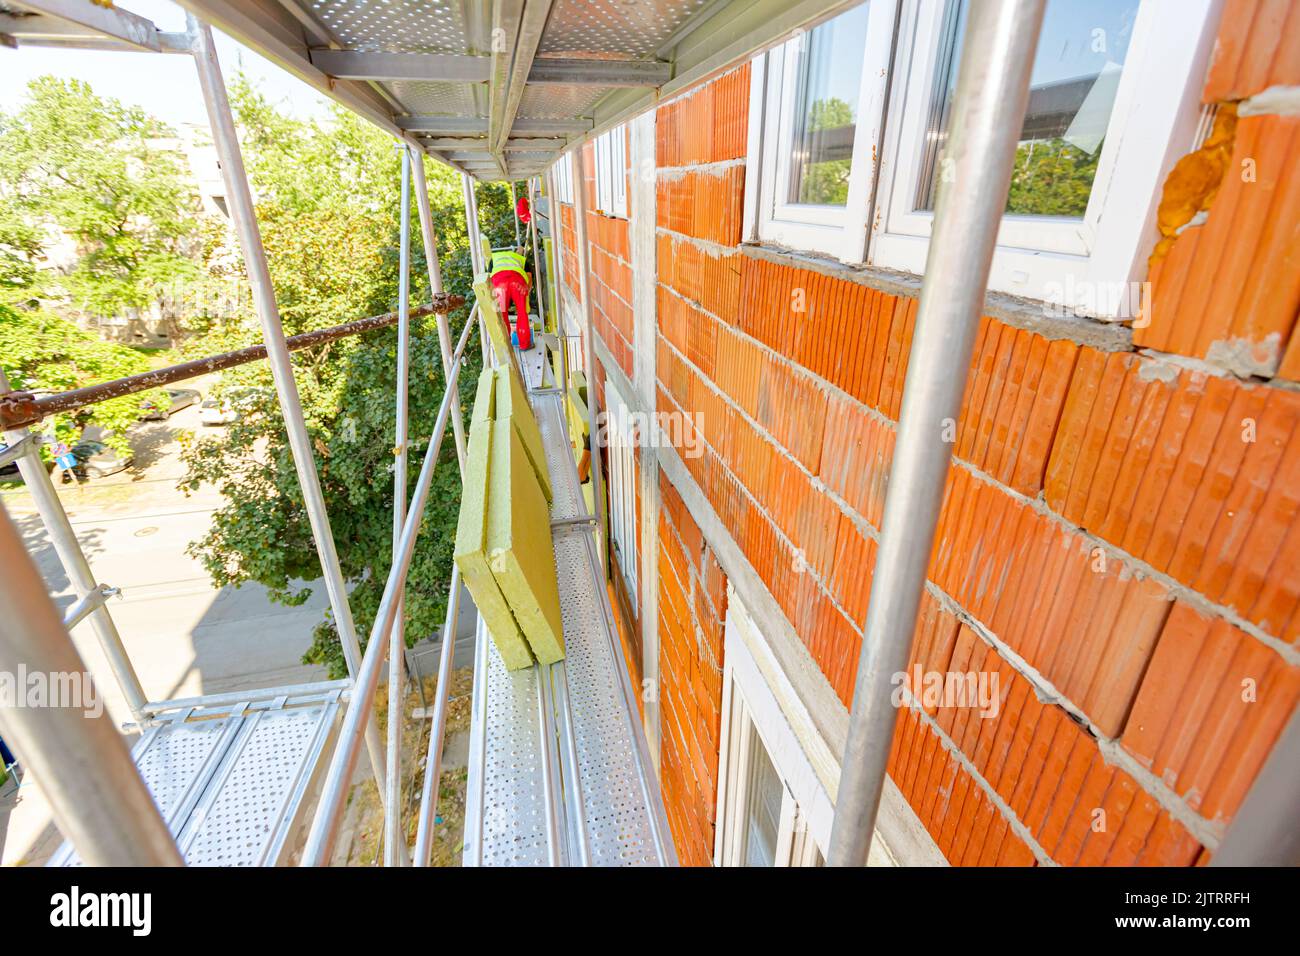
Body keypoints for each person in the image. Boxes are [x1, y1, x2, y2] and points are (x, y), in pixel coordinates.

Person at [489, 245, 533, 350]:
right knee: (522, 313)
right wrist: (527, 291)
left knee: (502, 314)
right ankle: (525, 345)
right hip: (517, 281)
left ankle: (506, 345)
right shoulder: (521, 260)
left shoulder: (494, 258)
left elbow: (489, 278)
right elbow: (529, 277)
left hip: (499, 283)